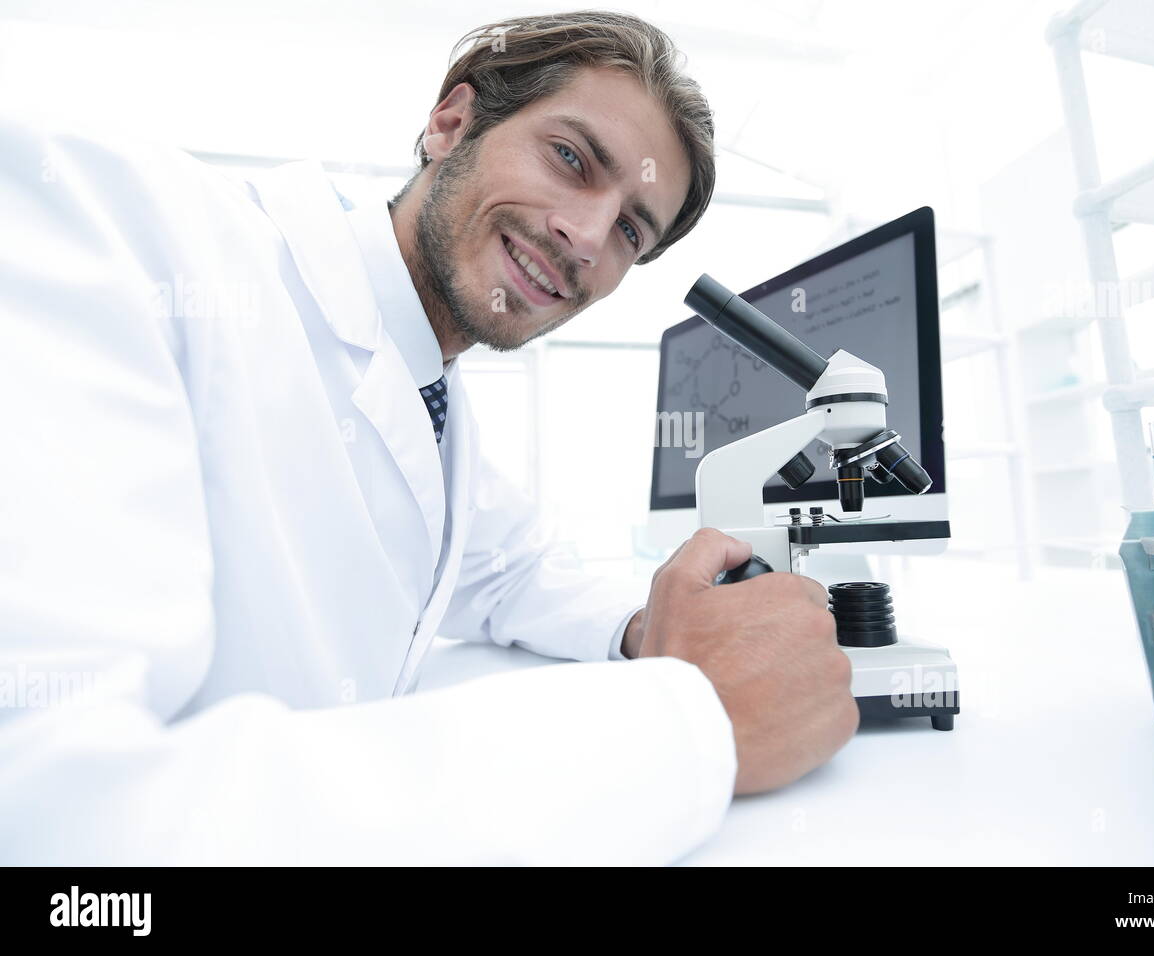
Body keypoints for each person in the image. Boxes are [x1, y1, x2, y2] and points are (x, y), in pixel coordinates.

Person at [0, 10, 856, 865]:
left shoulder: (431, 387)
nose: (587, 238)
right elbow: (58, 815)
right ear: (450, 123)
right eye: (570, 159)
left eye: (632, 229)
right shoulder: (126, 231)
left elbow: (510, 567)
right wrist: (693, 723)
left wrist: (654, 625)